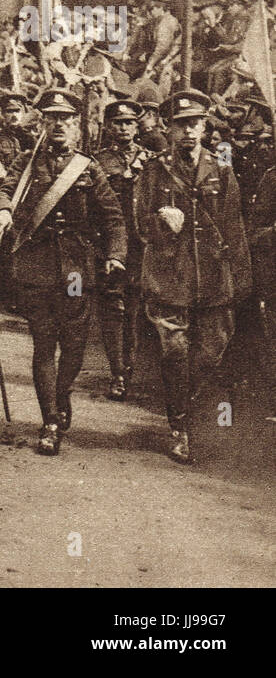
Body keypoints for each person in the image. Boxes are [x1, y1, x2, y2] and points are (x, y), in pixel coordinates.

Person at [0, 88, 126, 456]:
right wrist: (3, 210)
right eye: (52, 118)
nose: (59, 125)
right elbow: (3, 191)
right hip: (35, 267)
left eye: (66, 119)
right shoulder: (26, 161)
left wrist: (116, 254)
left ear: (76, 125)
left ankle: (61, 391)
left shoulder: (88, 167)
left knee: (75, 347)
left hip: (76, 270)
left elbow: (114, 217)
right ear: (42, 123)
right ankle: (50, 420)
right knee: (43, 344)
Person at [135, 89, 252, 464]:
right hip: (170, 276)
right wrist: (160, 222)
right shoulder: (154, 170)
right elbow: (139, 223)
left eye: (195, 123)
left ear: (205, 127)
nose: (189, 131)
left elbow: (234, 228)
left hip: (214, 279)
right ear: (169, 129)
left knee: (209, 355)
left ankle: (187, 409)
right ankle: (179, 428)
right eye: (181, 124)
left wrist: (242, 280)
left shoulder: (221, 168)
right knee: (175, 352)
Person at [93, 98, 151, 401]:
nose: (124, 128)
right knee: (113, 305)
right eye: (117, 122)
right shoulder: (97, 161)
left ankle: (129, 367)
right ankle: (117, 371)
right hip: (109, 242)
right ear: (108, 126)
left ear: (137, 125)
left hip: (142, 243)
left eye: (129, 122)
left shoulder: (152, 160)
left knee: (135, 306)